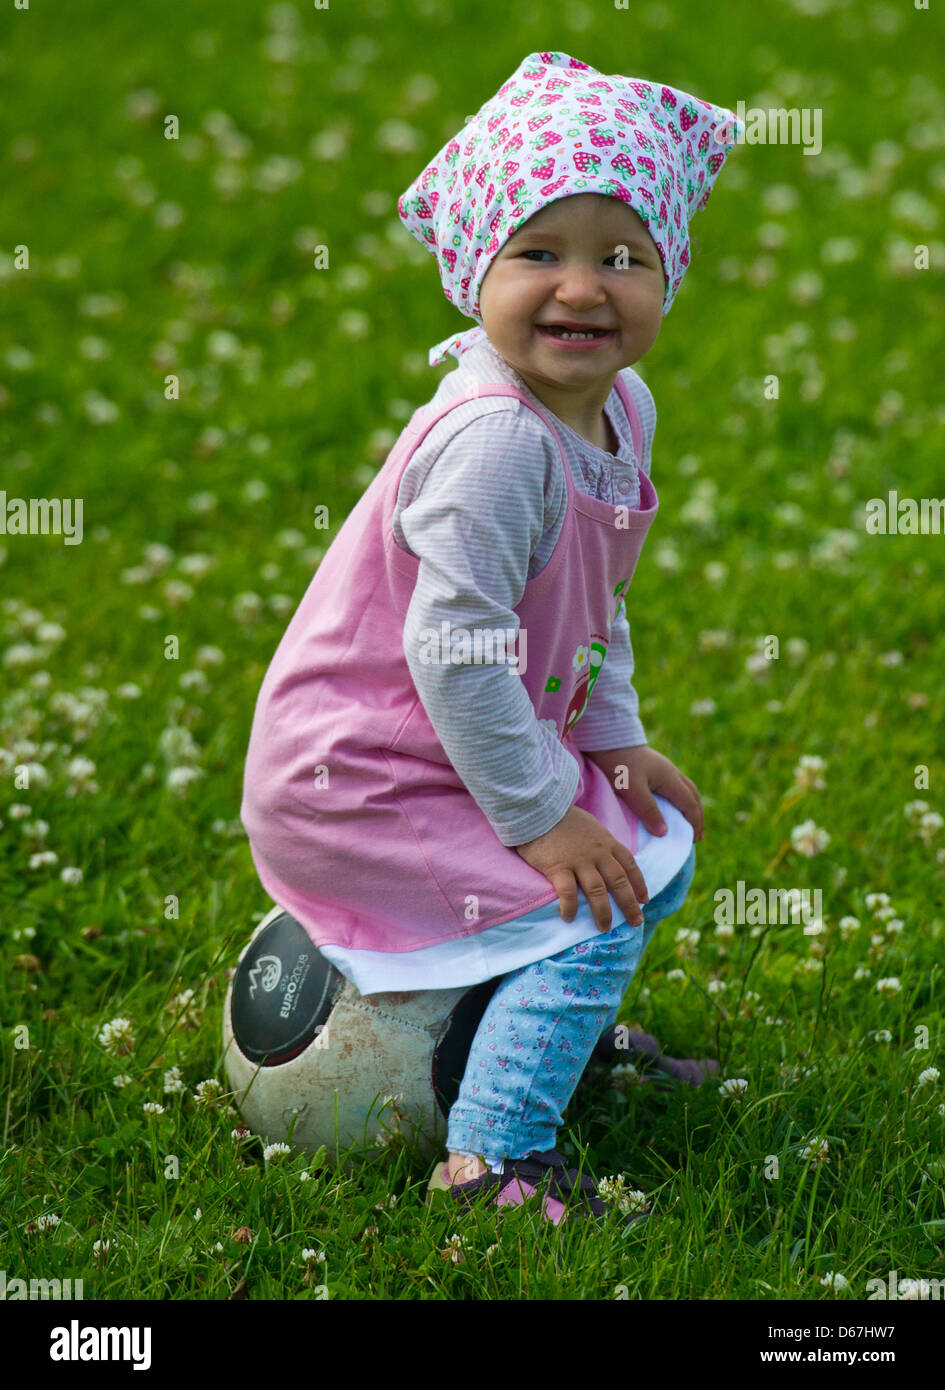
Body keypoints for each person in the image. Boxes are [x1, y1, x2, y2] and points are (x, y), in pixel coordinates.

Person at [240, 51, 743, 1226]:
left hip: (464, 739)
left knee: (640, 845)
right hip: (363, 779)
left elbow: (594, 599)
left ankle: (562, 1043)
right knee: (588, 900)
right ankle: (497, 1160)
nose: (582, 287)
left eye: (622, 255)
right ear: (475, 271)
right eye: (539, 253)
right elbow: (452, 649)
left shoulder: (621, 406)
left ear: (668, 272)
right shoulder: (499, 445)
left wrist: (609, 743)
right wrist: (539, 814)